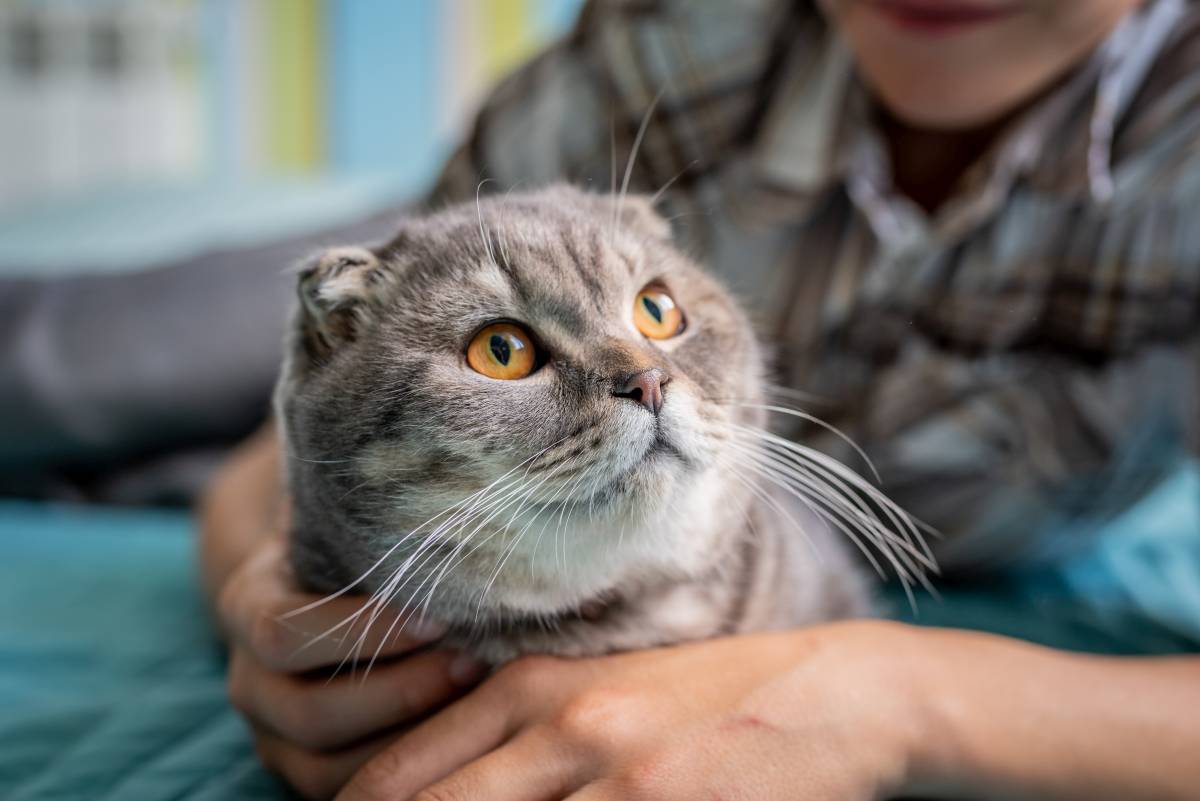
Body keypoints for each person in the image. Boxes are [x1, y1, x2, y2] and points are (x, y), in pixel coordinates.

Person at [200, 1, 1200, 799]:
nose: (645, 379)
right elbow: (297, 441)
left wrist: (896, 700)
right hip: (372, 287)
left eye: (657, 317)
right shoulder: (665, 39)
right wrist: (271, 597)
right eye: (506, 354)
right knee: (77, 366)